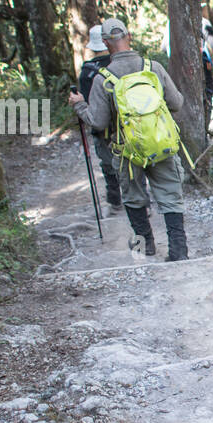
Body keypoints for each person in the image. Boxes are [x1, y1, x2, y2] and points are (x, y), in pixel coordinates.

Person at [69, 17, 190, 261]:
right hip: (160, 143)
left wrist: (80, 106)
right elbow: (177, 103)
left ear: (105, 43)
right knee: (170, 195)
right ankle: (179, 251)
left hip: (127, 150)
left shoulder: (103, 79)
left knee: (134, 198)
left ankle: (146, 247)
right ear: (129, 36)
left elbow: (99, 122)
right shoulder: (153, 67)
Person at [76, 25, 122, 214]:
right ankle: (141, 202)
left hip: (102, 129)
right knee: (132, 161)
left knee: (108, 164)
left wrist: (77, 104)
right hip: (126, 123)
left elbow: (87, 102)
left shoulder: (88, 71)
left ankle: (115, 201)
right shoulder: (118, 64)